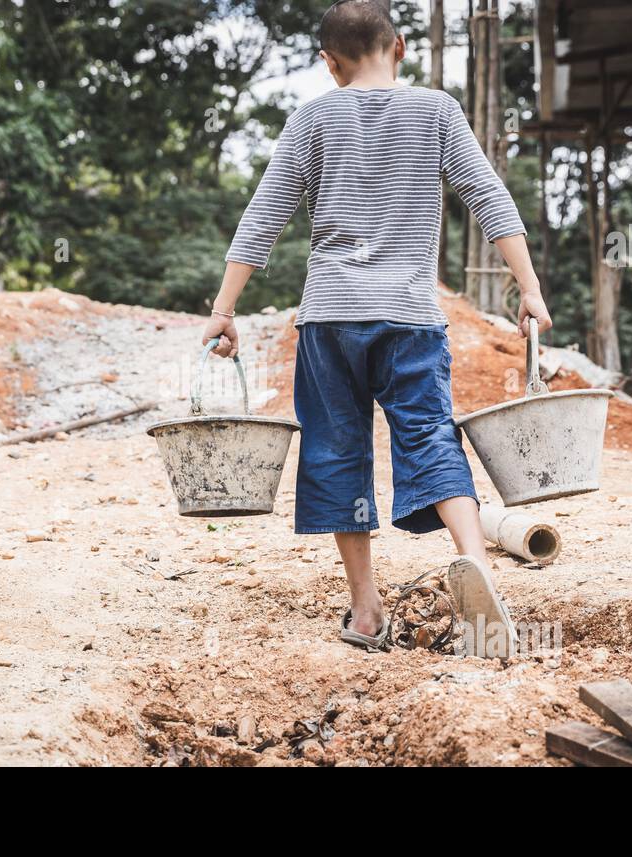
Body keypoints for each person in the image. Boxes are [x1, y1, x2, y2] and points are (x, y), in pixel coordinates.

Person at [201, 0, 551, 657]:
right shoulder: (437, 110)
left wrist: (224, 310)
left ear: (328, 63)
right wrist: (528, 290)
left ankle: (366, 611)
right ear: (400, 49)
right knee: (428, 432)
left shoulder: (313, 117)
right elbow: (488, 196)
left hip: (331, 316)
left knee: (335, 449)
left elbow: (264, 217)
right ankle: (473, 563)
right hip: (409, 315)